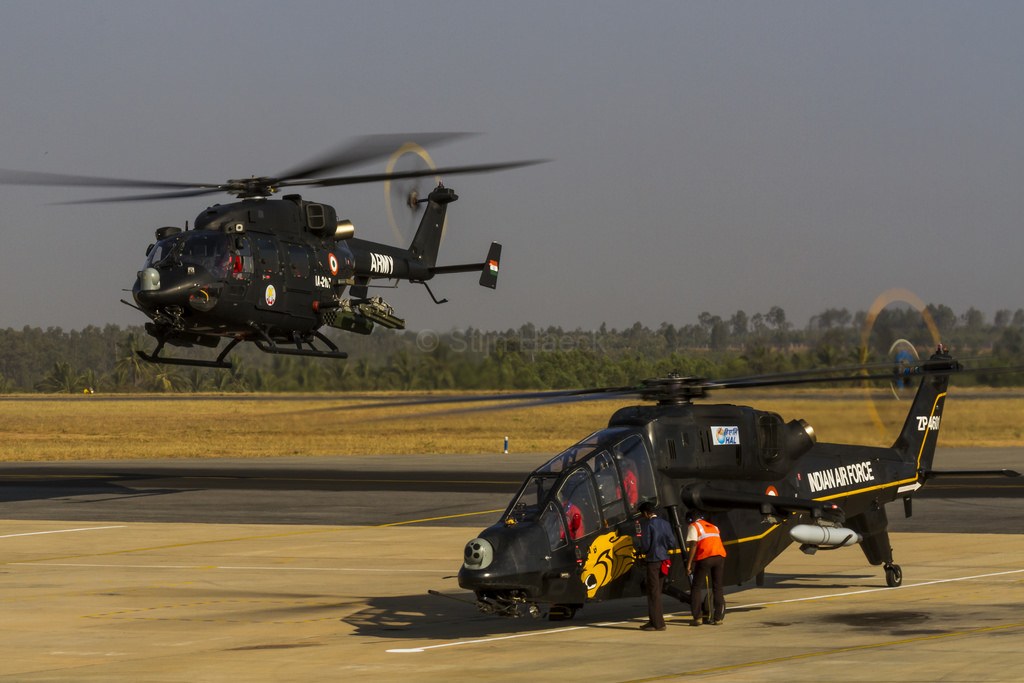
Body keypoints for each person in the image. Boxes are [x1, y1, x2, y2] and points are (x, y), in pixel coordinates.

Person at [634, 501, 679, 631]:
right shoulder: (665, 524)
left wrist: (641, 551)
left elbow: (646, 545)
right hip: (664, 559)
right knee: (657, 591)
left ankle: (658, 623)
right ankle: (653, 620)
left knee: (653, 592)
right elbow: (671, 542)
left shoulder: (649, 525)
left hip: (653, 561)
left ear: (646, 513)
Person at [685, 509, 727, 626]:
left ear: (690, 519)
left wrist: (689, 564)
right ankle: (718, 618)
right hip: (719, 557)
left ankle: (697, 617)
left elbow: (693, 545)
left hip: (705, 557)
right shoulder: (713, 527)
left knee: (696, 587)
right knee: (717, 587)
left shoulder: (694, 526)